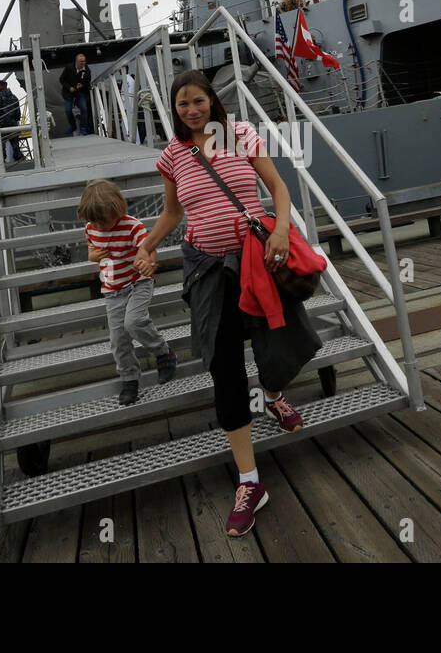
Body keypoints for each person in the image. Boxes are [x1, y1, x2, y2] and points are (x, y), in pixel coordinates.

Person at [135, 69, 319, 538]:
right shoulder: (173, 155)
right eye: (182, 105)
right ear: (175, 112)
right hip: (206, 270)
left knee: (276, 344)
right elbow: (174, 212)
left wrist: (280, 228)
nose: (191, 110)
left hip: (256, 262)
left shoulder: (239, 134)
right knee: (224, 366)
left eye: (197, 101)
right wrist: (149, 245)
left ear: (212, 101)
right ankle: (250, 481)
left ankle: (273, 395)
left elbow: (276, 186)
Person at [78, 178, 177, 405]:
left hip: (138, 282)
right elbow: (91, 250)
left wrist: (148, 263)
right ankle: (129, 378)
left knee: (133, 322)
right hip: (112, 289)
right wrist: (94, 256)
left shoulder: (132, 226)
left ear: (118, 209)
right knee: (118, 339)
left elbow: (149, 249)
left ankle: (163, 353)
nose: (101, 226)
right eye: (96, 222)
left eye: (105, 221)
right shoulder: (91, 228)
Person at [59, 53, 91, 136]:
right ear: (76, 61)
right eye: (81, 61)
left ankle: (83, 128)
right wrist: (69, 87)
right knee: (68, 110)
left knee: (84, 109)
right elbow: (62, 79)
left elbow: (88, 83)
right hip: (69, 92)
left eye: (84, 61)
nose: (83, 63)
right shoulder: (69, 67)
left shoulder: (87, 70)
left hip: (80, 92)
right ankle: (73, 126)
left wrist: (82, 85)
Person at [0, 79, 22, 163]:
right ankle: (18, 159)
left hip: (1, 125)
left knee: (1, 144)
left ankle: (2, 161)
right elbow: (18, 114)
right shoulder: (14, 97)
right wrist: (14, 120)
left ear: (3, 86)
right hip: (13, 124)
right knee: (15, 144)